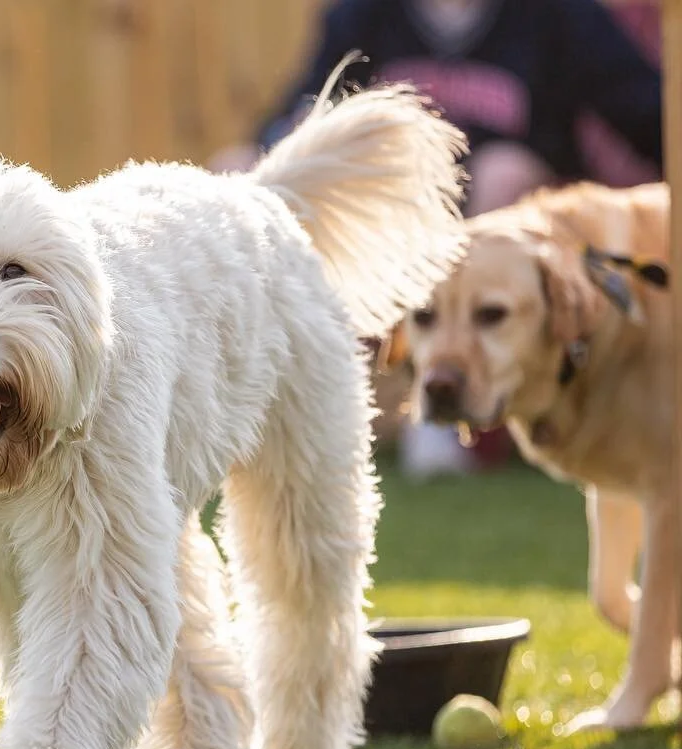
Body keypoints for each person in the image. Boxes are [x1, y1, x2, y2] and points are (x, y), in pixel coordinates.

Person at [211, 0, 664, 479]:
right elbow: (299, 117)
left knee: (502, 172)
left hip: (512, 230)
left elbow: (646, 110)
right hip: (390, 224)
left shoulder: (555, 14)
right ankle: (238, 409)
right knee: (235, 169)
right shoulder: (362, 15)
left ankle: (453, 411)